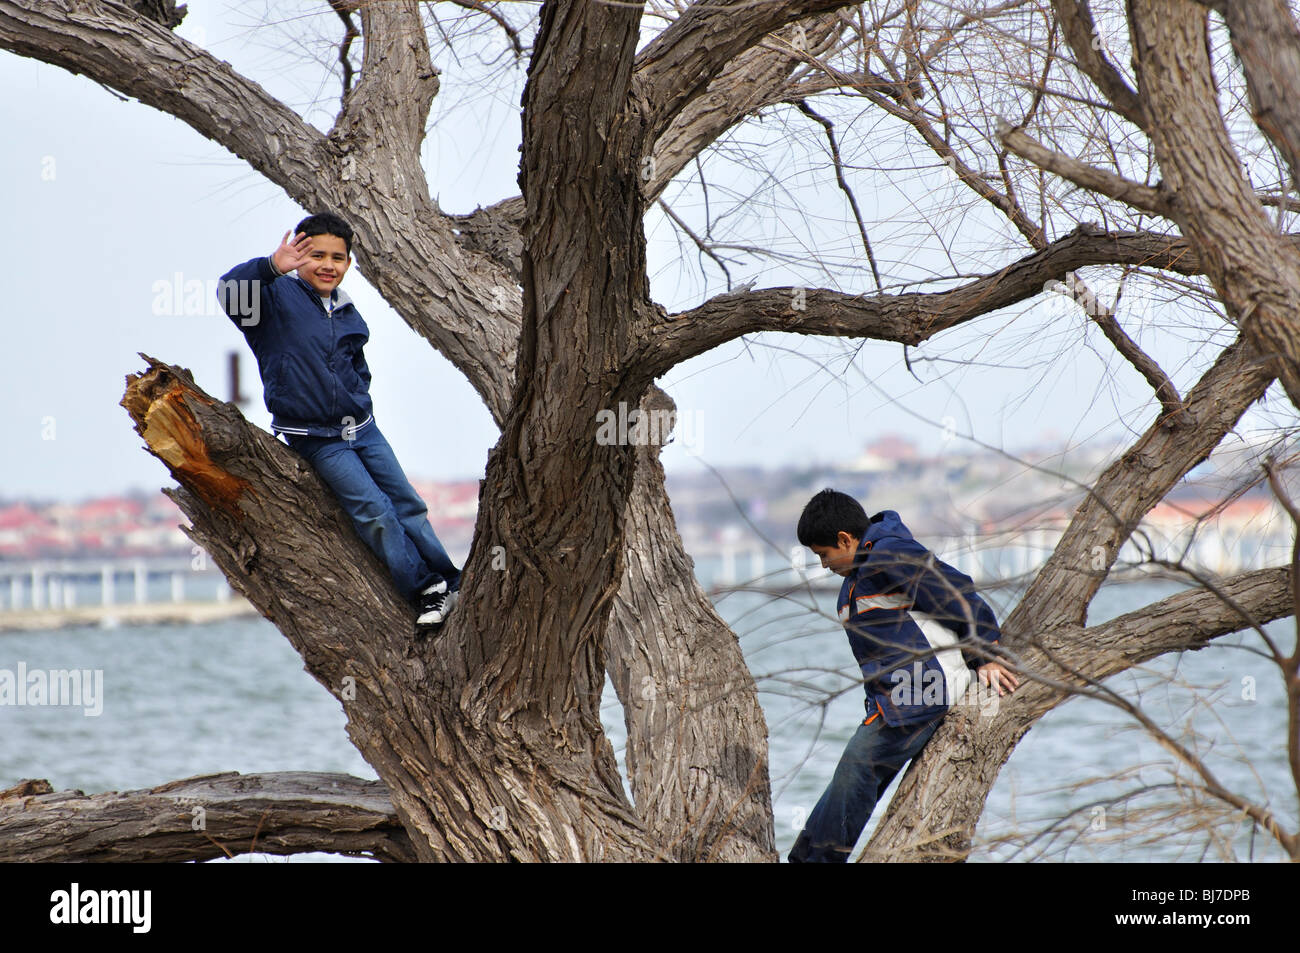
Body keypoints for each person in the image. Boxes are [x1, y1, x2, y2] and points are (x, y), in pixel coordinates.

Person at [216, 211, 461, 631]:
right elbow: (228, 293)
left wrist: (358, 395)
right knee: (376, 513)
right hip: (317, 438)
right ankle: (424, 590)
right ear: (298, 253)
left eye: (339, 257)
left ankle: (452, 581)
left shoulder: (348, 311)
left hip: (364, 429)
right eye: (317, 255)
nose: (329, 265)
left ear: (348, 263)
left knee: (408, 505)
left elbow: (356, 365)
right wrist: (271, 267)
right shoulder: (271, 300)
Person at [788, 488, 1019, 862]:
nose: (823, 565)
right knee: (854, 774)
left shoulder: (890, 555)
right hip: (898, 702)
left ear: (845, 540)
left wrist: (987, 655)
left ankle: (809, 862)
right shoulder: (853, 581)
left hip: (926, 693)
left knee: (856, 769)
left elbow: (955, 593)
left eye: (823, 555)